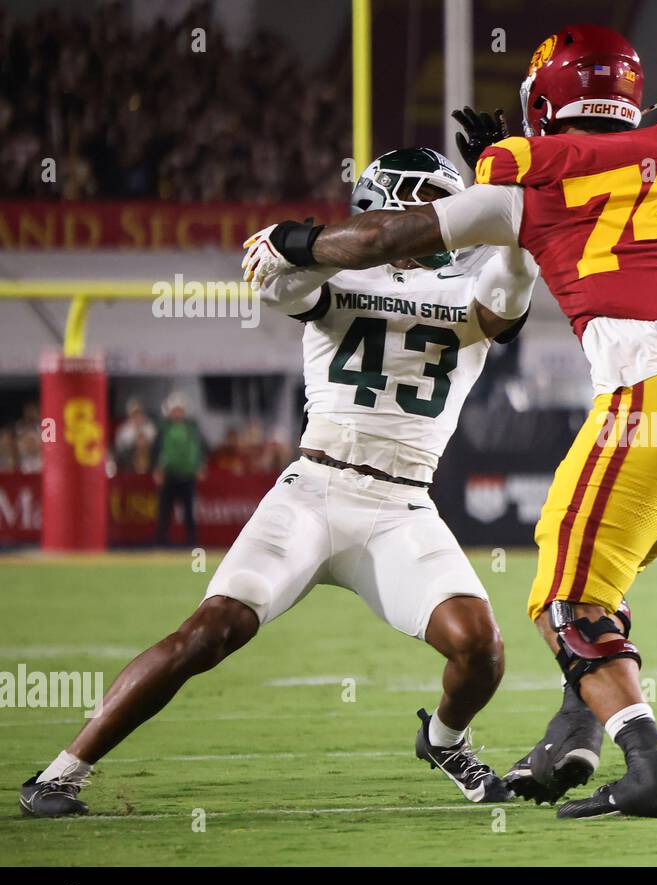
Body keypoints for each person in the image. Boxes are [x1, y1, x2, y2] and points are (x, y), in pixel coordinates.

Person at [244, 23, 657, 818]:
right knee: (600, 584)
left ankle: (655, 765)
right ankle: (574, 736)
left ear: (543, 102)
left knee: (564, 596)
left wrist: (295, 240)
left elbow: (391, 235)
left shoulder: (524, 175)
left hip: (652, 398)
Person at [20, 146, 539, 817]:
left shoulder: (470, 291)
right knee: (210, 632)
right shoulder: (332, 271)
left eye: (451, 208)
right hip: (314, 490)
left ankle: (443, 740)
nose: (444, 222)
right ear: (387, 209)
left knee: (481, 649)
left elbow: (516, 269)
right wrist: (316, 239)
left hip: (403, 504)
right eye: (431, 207)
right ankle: (60, 773)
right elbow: (279, 276)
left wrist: (506, 185)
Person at [152, 392, 206, 547]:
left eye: (180, 410)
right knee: (164, 511)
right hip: (169, 475)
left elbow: (200, 448)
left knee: (189, 511)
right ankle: (160, 542)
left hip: (187, 475)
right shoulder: (164, 428)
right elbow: (156, 450)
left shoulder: (191, 428)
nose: (177, 413)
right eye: (175, 410)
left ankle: (192, 542)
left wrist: (200, 465)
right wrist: (157, 468)